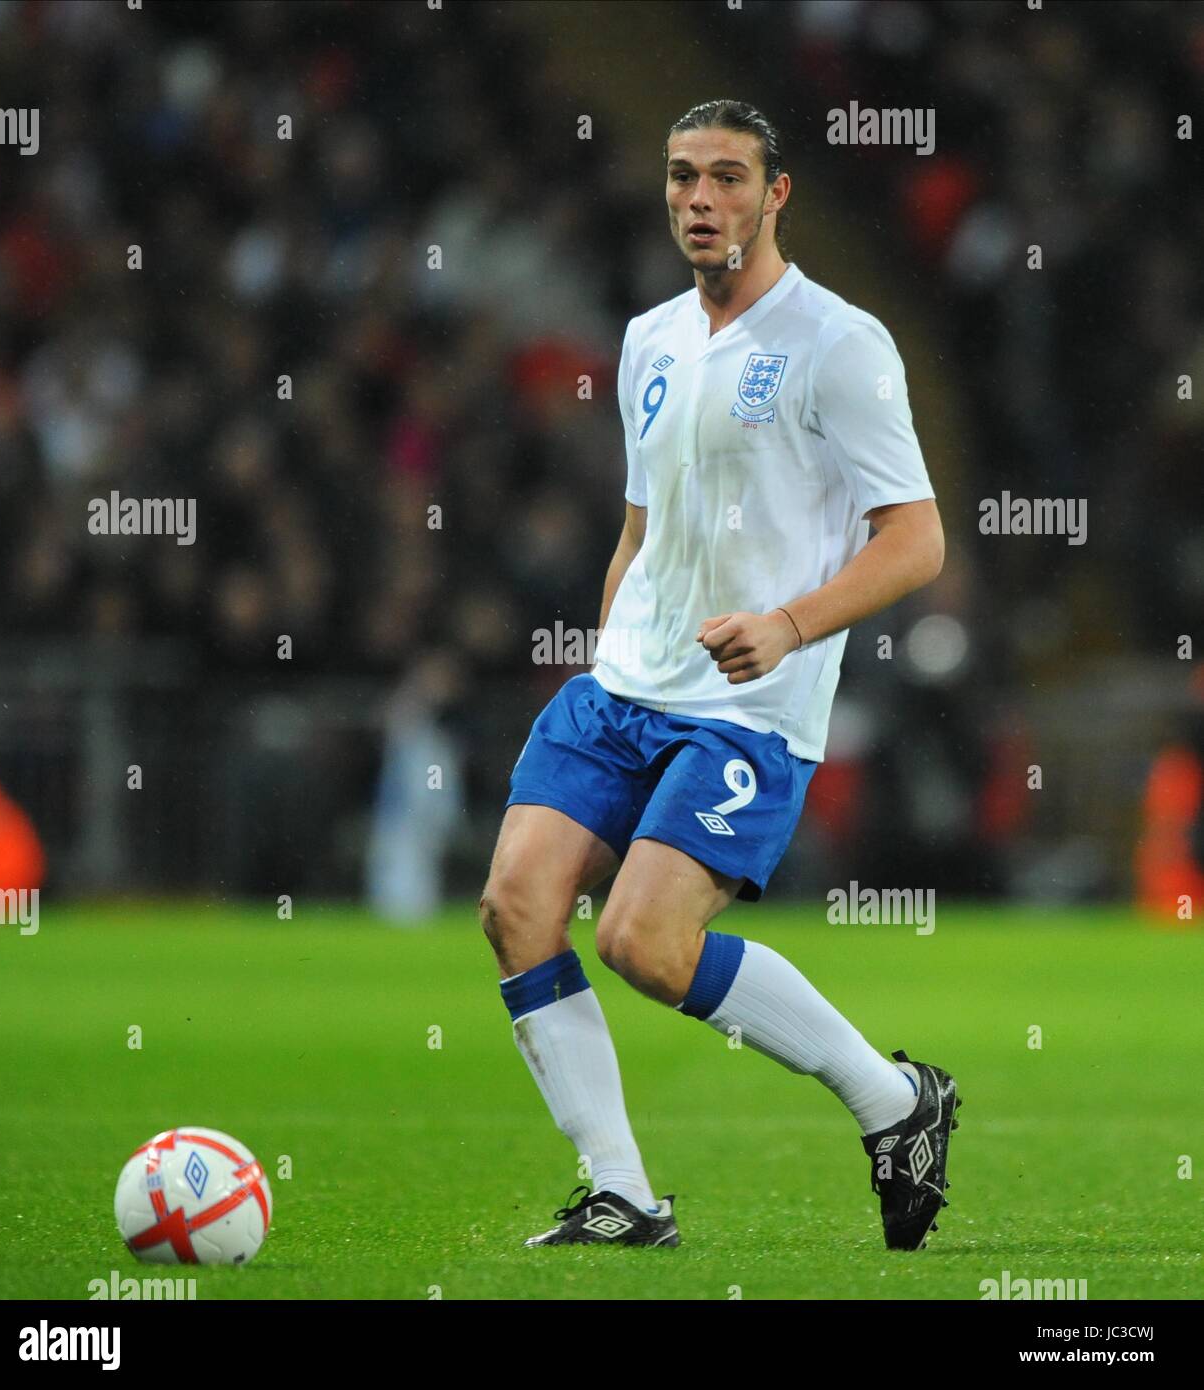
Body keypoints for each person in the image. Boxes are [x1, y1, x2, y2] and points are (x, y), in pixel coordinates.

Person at [479, 100, 958, 1250]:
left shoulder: (839, 343)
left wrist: (790, 625)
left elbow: (915, 539)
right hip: (622, 683)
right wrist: (606, 655)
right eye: (682, 176)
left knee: (641, 943)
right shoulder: (648, 338)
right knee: (513, 908)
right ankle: (621, 1194)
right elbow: (640, 528)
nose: (701, 200)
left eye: (728, 179)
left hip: (747, 705)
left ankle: (895, 1103)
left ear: (775, 193)